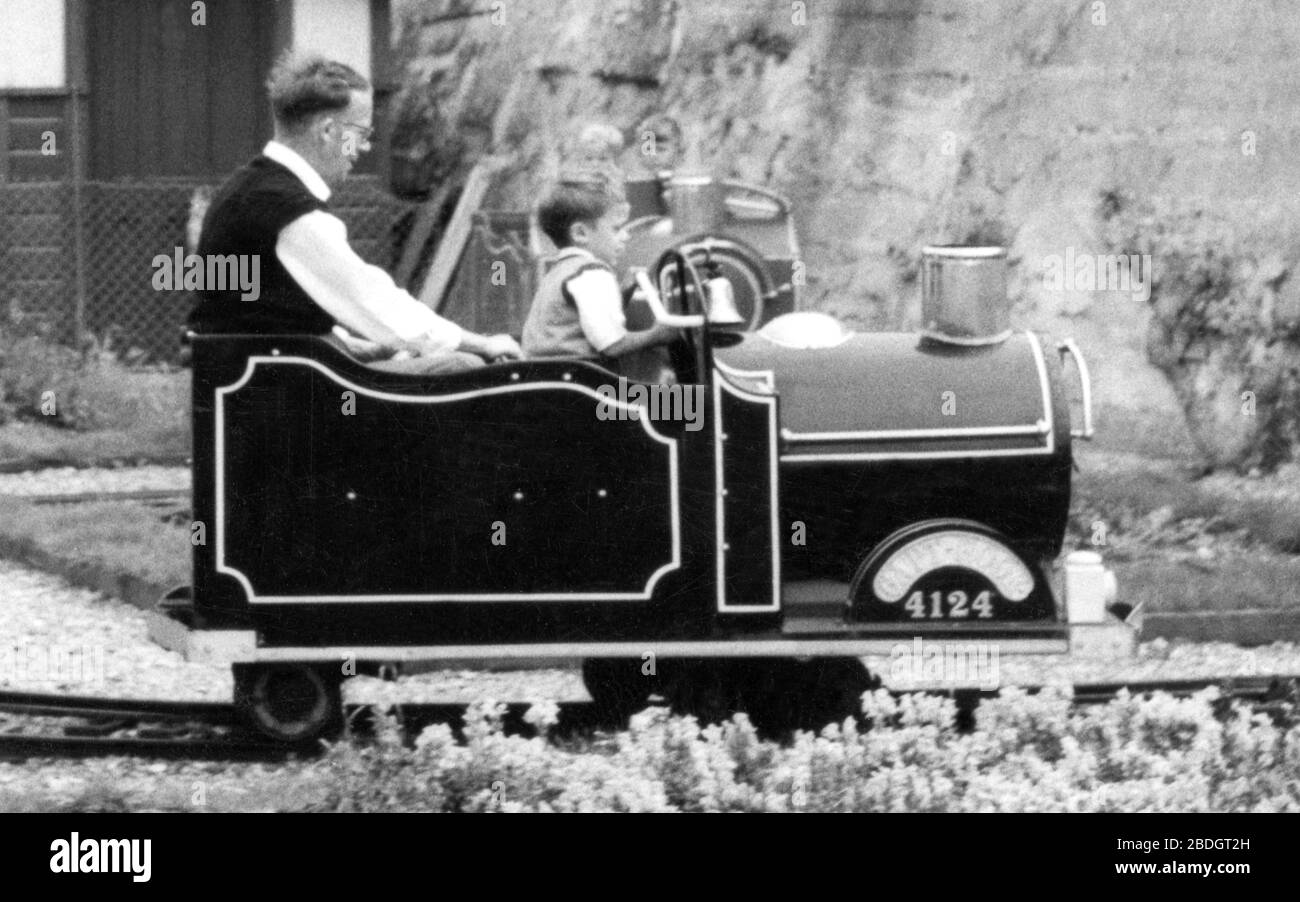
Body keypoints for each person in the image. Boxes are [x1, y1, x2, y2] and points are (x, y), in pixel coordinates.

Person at [188, 53, 521, 373]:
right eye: (360, 133)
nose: (363, 147)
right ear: (328, 131)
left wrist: (358, 346)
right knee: (463, 366)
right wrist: (481, 344)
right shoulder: (290, 212)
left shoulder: (246, 188)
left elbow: (268, 311)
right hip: (282, 388)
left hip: (252, 376)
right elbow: (375, 303)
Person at [521, 172, 677, 368]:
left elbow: (589, 322)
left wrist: (624, 293)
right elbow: (612, 345)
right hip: (582, 380)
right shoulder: (592, 272)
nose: (625, 236)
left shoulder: (558, 272)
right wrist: (657, 335)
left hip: (546, 375)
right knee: (688, 399)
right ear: (580, 233)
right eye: (616, 228)